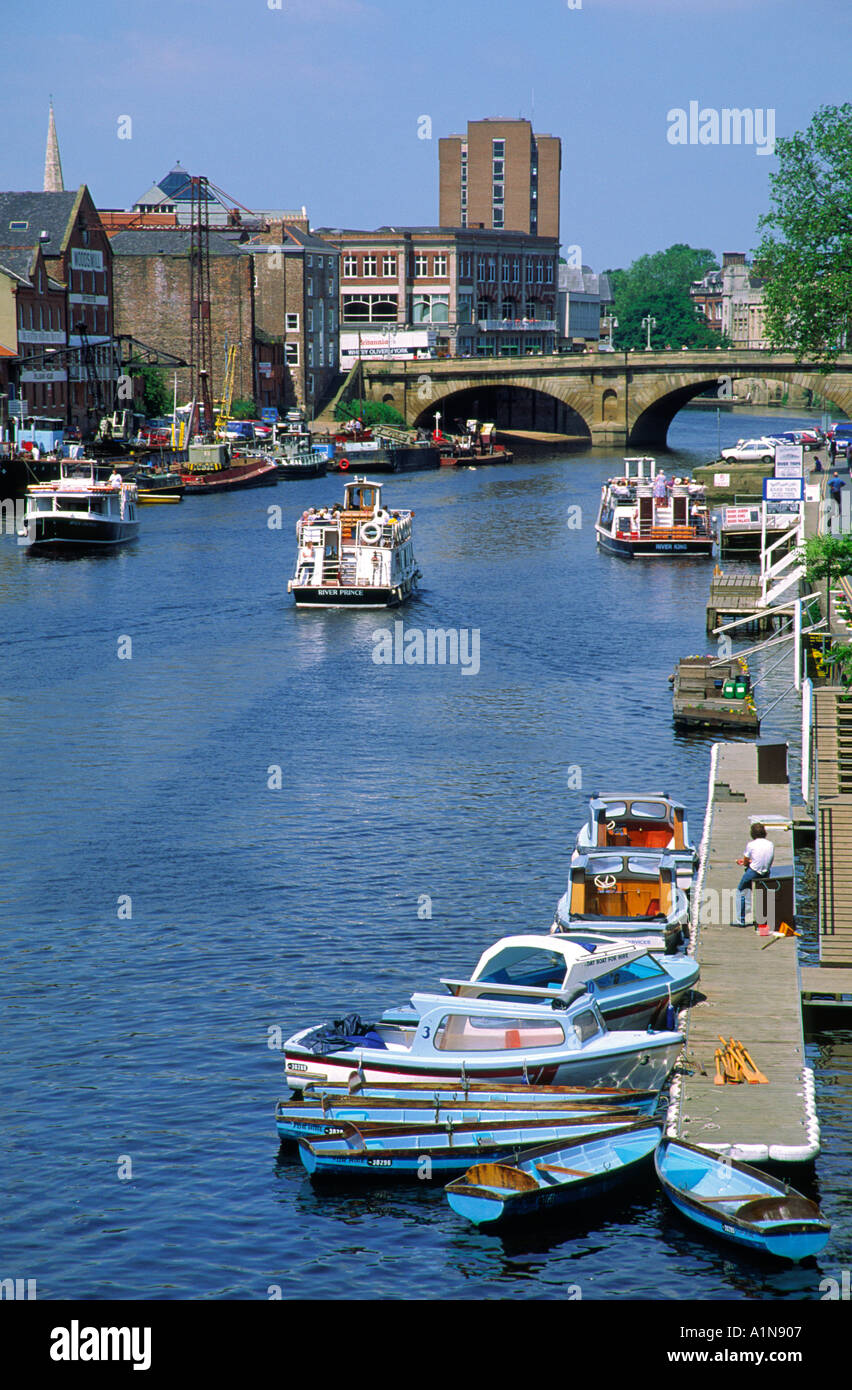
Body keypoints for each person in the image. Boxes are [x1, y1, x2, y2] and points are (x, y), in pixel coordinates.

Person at [734, 822, 775, 927]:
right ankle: (764, 919)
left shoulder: (751, 844)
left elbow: (746, 861)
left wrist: (744, 863)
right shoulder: (770, 844)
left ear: (752, 833)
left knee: (741, 891)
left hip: (754, 871)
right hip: (765, 872)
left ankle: (740, 921)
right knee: (762, 894)